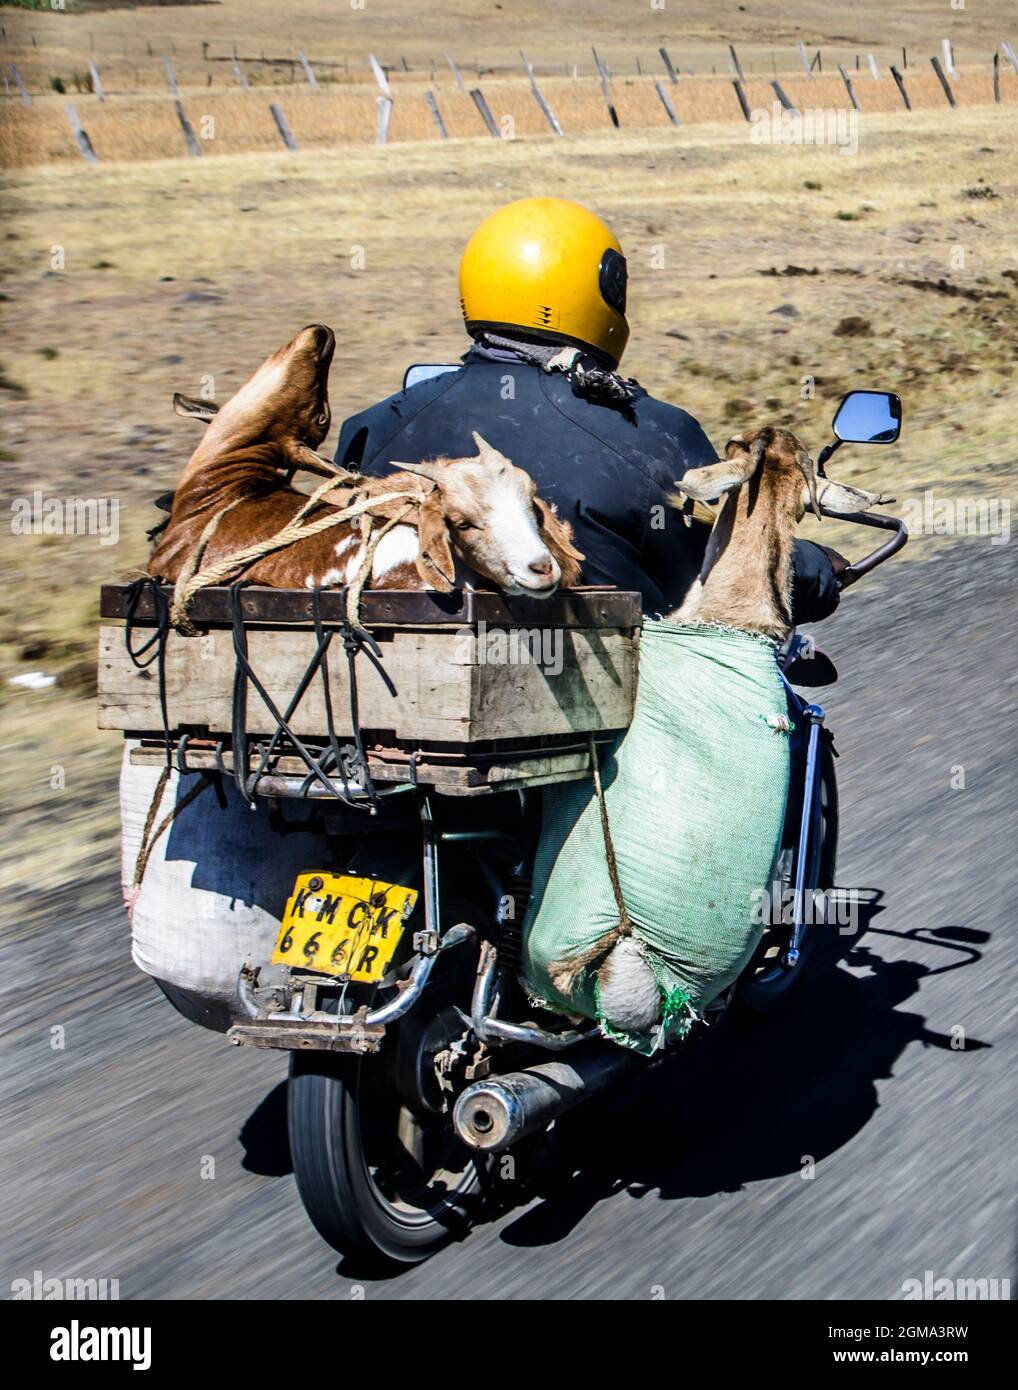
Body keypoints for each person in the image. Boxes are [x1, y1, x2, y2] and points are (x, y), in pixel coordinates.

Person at [335, 196, 843, 621]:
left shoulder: (373, 427)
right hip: (619, 712)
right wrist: (815, 569)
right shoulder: (651, 430)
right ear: (603, 289)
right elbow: (718, 570)